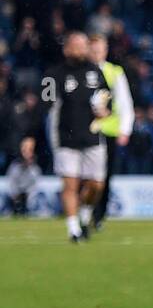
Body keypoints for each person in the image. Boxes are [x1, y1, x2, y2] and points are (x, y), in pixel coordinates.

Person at [45, 32, 109, 242]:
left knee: (96, 185)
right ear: (67, 49)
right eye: (77, 46)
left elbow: (106, 96)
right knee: (70, 185)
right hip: (66, 138)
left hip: (92, 136)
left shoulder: (95, 71)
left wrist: (104, 109)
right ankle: (73, 230)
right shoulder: (54, 74)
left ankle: (84, 214)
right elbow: (45, 107)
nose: (81, 50)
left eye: (84, 46)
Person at [87, 33, 134, 229]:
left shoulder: (115, 72)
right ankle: (86, 211)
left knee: (105, 175)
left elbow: (124, 101)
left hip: (110, 131)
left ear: (105, 50)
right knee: (89, 175)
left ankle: (99, 215)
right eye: (94, 49)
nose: (97, 53)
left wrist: (125, 129)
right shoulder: (83, 71)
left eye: (100, 49)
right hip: (88, 131)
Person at [7, 136, 41, 216]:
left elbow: (35, 185)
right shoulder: (15, 165)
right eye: (24, 149)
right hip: (17, 195)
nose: (27, 152)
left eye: (30, 149)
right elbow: (12, 183)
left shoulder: (36, 167)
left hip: (31, 195)